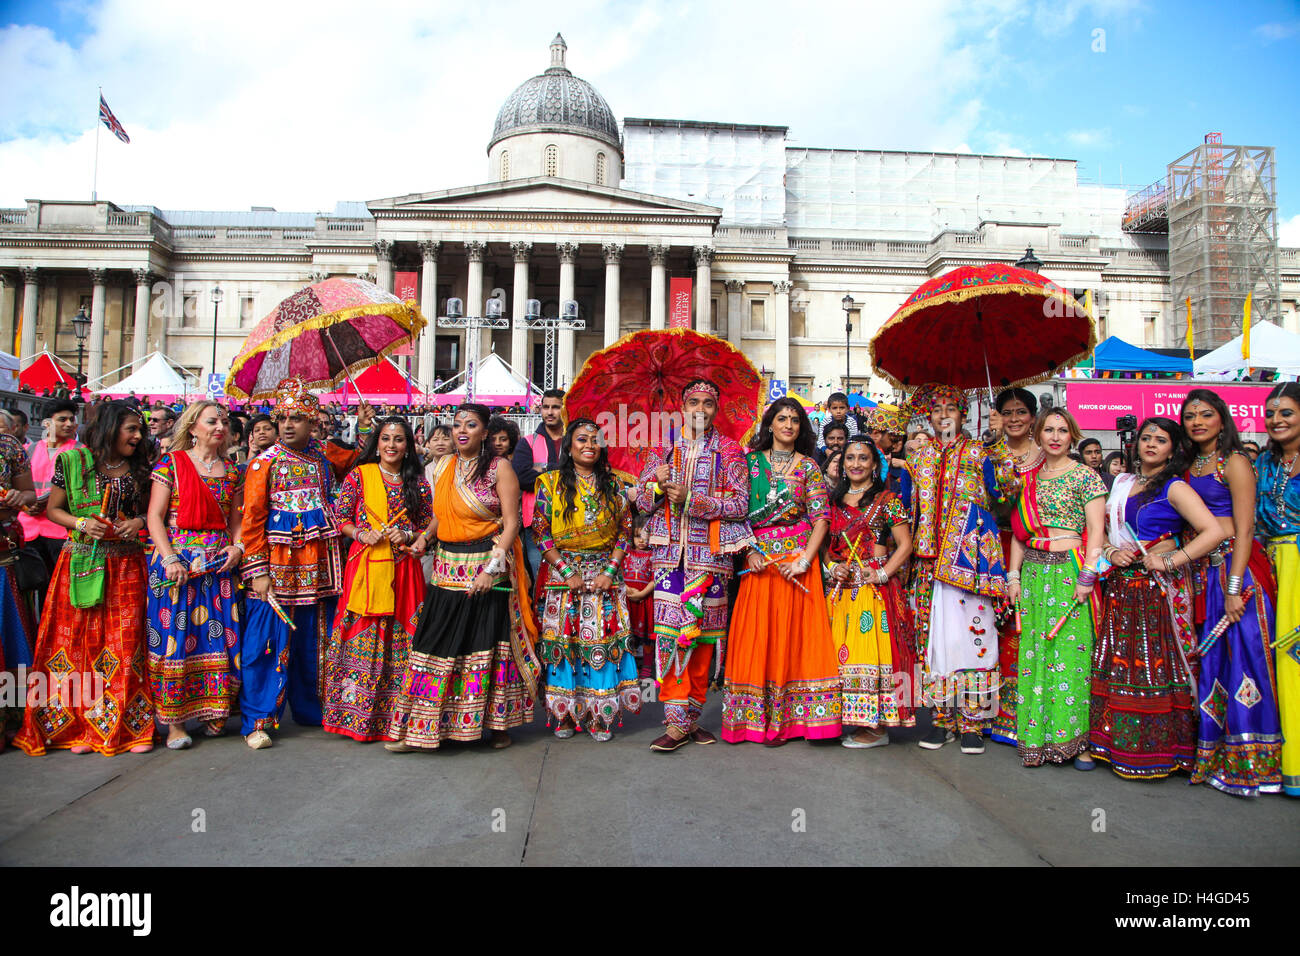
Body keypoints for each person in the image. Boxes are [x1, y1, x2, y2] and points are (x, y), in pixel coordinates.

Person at [386, 404, 541, 751]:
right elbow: (442, 515)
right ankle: (422, 729)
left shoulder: (499, 468)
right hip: (446, 566)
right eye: (457, 425)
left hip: (487, 565)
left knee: (486, 644)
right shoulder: (444, 466)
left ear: (485, 433)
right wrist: (424, 538)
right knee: (436, 641)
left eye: (471, 425)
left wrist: (492, 569)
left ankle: (497, 725)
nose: (462, 431)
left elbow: (512, 522)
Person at [239, 378, 372, 750]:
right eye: (282, 418)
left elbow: (358, 460)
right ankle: (259, 719)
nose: (287, 425)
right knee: (267, 643)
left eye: (297, 417)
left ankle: (312, 708)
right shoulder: (264, 464)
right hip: (277, 569)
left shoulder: (322, 456)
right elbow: (251, 522)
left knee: (315, 641)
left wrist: (363, 425)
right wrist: (258, 571)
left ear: (312, 421)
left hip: (321, 568)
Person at [15, 402, 154, 756]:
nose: (137, 436)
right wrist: (80, 523)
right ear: (110, 428)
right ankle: (78, 725)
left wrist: (136, 523)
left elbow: (147, 513)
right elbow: (54, 510)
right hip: (79, 563)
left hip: (126, 565)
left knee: (125, 645)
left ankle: (124, 725)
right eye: (130, 429)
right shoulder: (72, 462)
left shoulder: (141, 466)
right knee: (78, 645)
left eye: (140, 430)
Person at [1092, 416, 1226, 780]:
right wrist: (1108, 549)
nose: (1151, 444)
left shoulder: (1174, 487)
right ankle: (1113, 743)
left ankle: (1159, 750)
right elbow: (1103, 532)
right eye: (1146, 437)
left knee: (1154, 668)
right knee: (1120, 664)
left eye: (1161, 439)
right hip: (1121, 587)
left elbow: (1212, 530)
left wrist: (1171, 558)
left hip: (1156, 592)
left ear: (1173, 448)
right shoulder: (1121, 482)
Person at [634, 378, 753, 752]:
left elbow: (740, 506)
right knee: (671, 638)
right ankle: (675, 722)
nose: (700, 409)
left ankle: (692, 718)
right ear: (682, 408)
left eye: (708, 403)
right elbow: (639, 502)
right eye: (693, 402)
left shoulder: (731, 452)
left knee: (702, 642)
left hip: (712, 560)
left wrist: (693, 499)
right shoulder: (662, 450)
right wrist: (655, 485)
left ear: (716, 410)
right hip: (669, 559)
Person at [906, 383, 1021, 755]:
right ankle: (942, 720)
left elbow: (1007, 494)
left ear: (962, 414)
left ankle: (973, 721)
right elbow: (912, 510)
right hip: (927, 561)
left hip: (970, 563)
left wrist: (1000, 448)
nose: (943, 415)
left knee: (974, 640)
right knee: (935, 643)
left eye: (950, 409)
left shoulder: (980, 451)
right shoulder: (920, 458)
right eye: (937, 409)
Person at [1179, 390, 1282, 796]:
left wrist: (1235, 587)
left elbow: (1245, 527)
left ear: (1223, 418)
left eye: (1206, 414)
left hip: (1235, 574)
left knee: (1245, 664)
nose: (1198, 421)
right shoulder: (1190, 464)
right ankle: (1214, 754)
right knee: (1214, 667)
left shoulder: (1234, 462)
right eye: (1190, 416)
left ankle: (1253, 764)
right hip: (1202, 575)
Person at [724, 397, 839, 745]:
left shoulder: (809, 467)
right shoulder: (749, 464)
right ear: (770, 424)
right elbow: (735, 513)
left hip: (796, 567)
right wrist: (748, 551)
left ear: (801, 428)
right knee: (762, 637)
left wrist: (804, 560)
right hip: (760, 566)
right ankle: (757, 721)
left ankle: (796, 720)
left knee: (794, 639)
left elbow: (821, 519)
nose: (788, 425)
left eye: (795, 420)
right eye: (782, 418)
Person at [1006, 409, 1106, 769]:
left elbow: (1096, 530)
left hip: (1070, 571)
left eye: (1063, 430)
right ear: (1038, 434)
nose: (1055, 436)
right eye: (1048, 429)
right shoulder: (1027, 478)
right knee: (1034, 654)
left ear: (1073, 435)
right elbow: (1021, 533)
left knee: (1070, 656)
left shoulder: (1087, 476)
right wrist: (1013, 576)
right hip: (1033, 572)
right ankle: (1035, 737)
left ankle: (1073, 741)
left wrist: (1089, 575)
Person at [324, 417, 432, 742]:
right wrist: (360, 532)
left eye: (399, 440)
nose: (391, 445)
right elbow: (339, 516)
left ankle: (399, 718)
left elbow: (428, 524)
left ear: (408, 446)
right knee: (362, 632)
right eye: (386, 438)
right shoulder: (360, 475)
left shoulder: (418, 482)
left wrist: (409, 532)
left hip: (403, 571)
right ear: (377, 441)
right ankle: (355, 716)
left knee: (404, 638)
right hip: (366, 566)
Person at [532, 418, 641, 740]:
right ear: (569, 446)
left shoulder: (617, 483)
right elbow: (540, 531)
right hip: (562, 578)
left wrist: (610, 572)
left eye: (595, 440)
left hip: (605, 577)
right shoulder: (549, 483)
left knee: (601, 645)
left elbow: (625, 532)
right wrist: (568, 573)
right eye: (582, 439)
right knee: (562, 646)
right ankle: (563, 715)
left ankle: (598, 715)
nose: (590, 445)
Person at [144, 401, 244, 750]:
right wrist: (170, 557)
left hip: (217, 565)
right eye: (212, 421)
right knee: (176, 640)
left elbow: (234, 521)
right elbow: (155, 516)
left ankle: (213, 712)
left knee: (217, 637)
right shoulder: (171, 464)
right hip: (178, 564)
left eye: (224, 421)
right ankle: (174, 724)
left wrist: (237, 547)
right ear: (193, 427)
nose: (219, 427)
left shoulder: (231, 471)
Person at [824, 437, 915, 747]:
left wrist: (881, 573)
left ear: (875, 464)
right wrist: (831, 568)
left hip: (873, 591)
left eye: (863, 458)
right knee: (841, 657)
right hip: (841, 591)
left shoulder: (887, 500)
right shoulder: (832, 502)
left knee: (873, 656)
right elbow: (825, 548)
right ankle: (852, 720)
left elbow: (905, 545)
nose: (856, 464)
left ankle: (876, 727)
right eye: (850, 458)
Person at [989, 387, 1042, 747]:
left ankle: (1034, 708)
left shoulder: (1049, 453)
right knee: (998, 624)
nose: (1014, 418)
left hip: (1039, 549)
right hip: (996, 546)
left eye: (1020, 411)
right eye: (1007, 412)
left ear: (1033, 416)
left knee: (1031, 625)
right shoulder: (987, 455)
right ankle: (997, 712)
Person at [1254, 382, 1300, 797]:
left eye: (1285, 412)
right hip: (1270, 564)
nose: (1276, 420)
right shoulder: (1264, 462)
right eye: (1270, 414)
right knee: (1277, 657)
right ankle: (1288, 764)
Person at [0, 431, 36, 751]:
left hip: (3, 556)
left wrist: (16, 497)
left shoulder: (8, 446)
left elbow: (30, 495)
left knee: (9, 637)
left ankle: (11, 718)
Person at [18, 400, 80, 584]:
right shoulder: (29, 450)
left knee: (57, 585)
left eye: (71, 419)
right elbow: (16, 487)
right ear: (47, 423)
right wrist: (25, 507)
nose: (69, 424)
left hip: (60, 530)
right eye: (62, 419)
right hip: (28, 528)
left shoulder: (81, 451)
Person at [866, 402, 913, 498]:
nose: (894, 446)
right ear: (876, 434)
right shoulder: (865, 454)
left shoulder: (878, 455)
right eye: (893, 440)